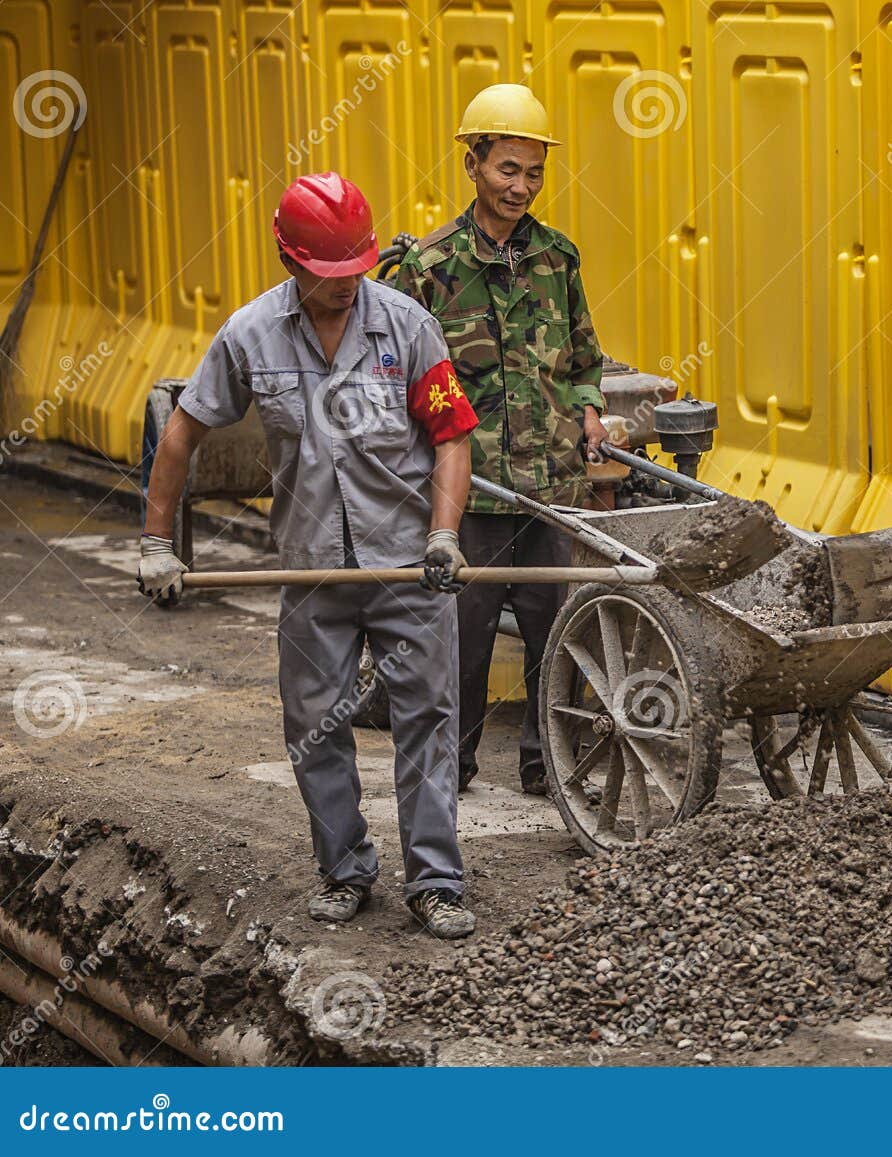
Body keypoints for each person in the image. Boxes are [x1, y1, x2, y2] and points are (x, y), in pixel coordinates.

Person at [138, 173, 481, 939]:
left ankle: (436, 881)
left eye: (353, 274)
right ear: (289, 260)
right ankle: (345, 867)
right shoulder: (250, 334)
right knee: (315, 727)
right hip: (312, 569)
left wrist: (444, 533)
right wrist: (156, 543)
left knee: (428, 720)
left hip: (406, 565)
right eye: (327, 278)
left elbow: (452, 435)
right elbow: (181, 434)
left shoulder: (409, 327)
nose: (343, 290)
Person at [396, 83, 608, 796]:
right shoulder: (427, 270)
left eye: (535, 172)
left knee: (555, 636)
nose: (522, 187)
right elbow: (401, 385)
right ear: (473, 164)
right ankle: (450, 769)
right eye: (507, 169)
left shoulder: (558, 259)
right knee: (464, 639)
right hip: (473, 490)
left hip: (551, 487)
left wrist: (588, 410)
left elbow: (583, 360)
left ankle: (546, 763)